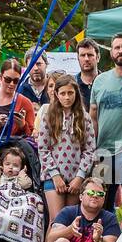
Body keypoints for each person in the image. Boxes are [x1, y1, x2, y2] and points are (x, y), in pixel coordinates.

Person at [89, 33, 122, 204]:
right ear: (111, 51)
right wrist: (93, 148)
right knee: (100, 202)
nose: (121, 51)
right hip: (102, 151)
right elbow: (93, 118)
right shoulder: (100, 80)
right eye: (117, 47)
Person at [36, 72, 96, 224]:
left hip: (75, 177)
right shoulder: (48, 116)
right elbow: (43, 148)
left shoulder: (84, 117)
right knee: (56, 221)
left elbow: (89, 150)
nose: (67, 97)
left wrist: (80, 177)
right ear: (56, 94)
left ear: (76, 93)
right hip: (53, 176)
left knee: (72, 221)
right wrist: (55, 176)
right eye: (63, 93)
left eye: (70, 93)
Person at [0, 57, 36, 139]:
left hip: (13, 148)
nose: (12, 84)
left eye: (16, 81)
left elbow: (30, 136)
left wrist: (23, 125)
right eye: (8, 79)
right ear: (0, 77)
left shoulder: (26, 103)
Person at [75, 38, 99, 107]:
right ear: (78, 58)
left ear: (98, 57)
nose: (86, 59)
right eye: (82, 55)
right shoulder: (72, 84)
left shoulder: (107, 82)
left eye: (90, 55)